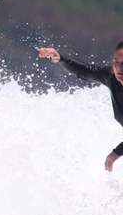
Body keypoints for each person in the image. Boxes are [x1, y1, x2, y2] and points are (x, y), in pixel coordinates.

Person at [37, 43, 123, 171]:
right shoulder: (111, 77)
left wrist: (114, 154)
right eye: (116, 61)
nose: (119, 68)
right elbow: (85, 71)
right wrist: (61, 58)